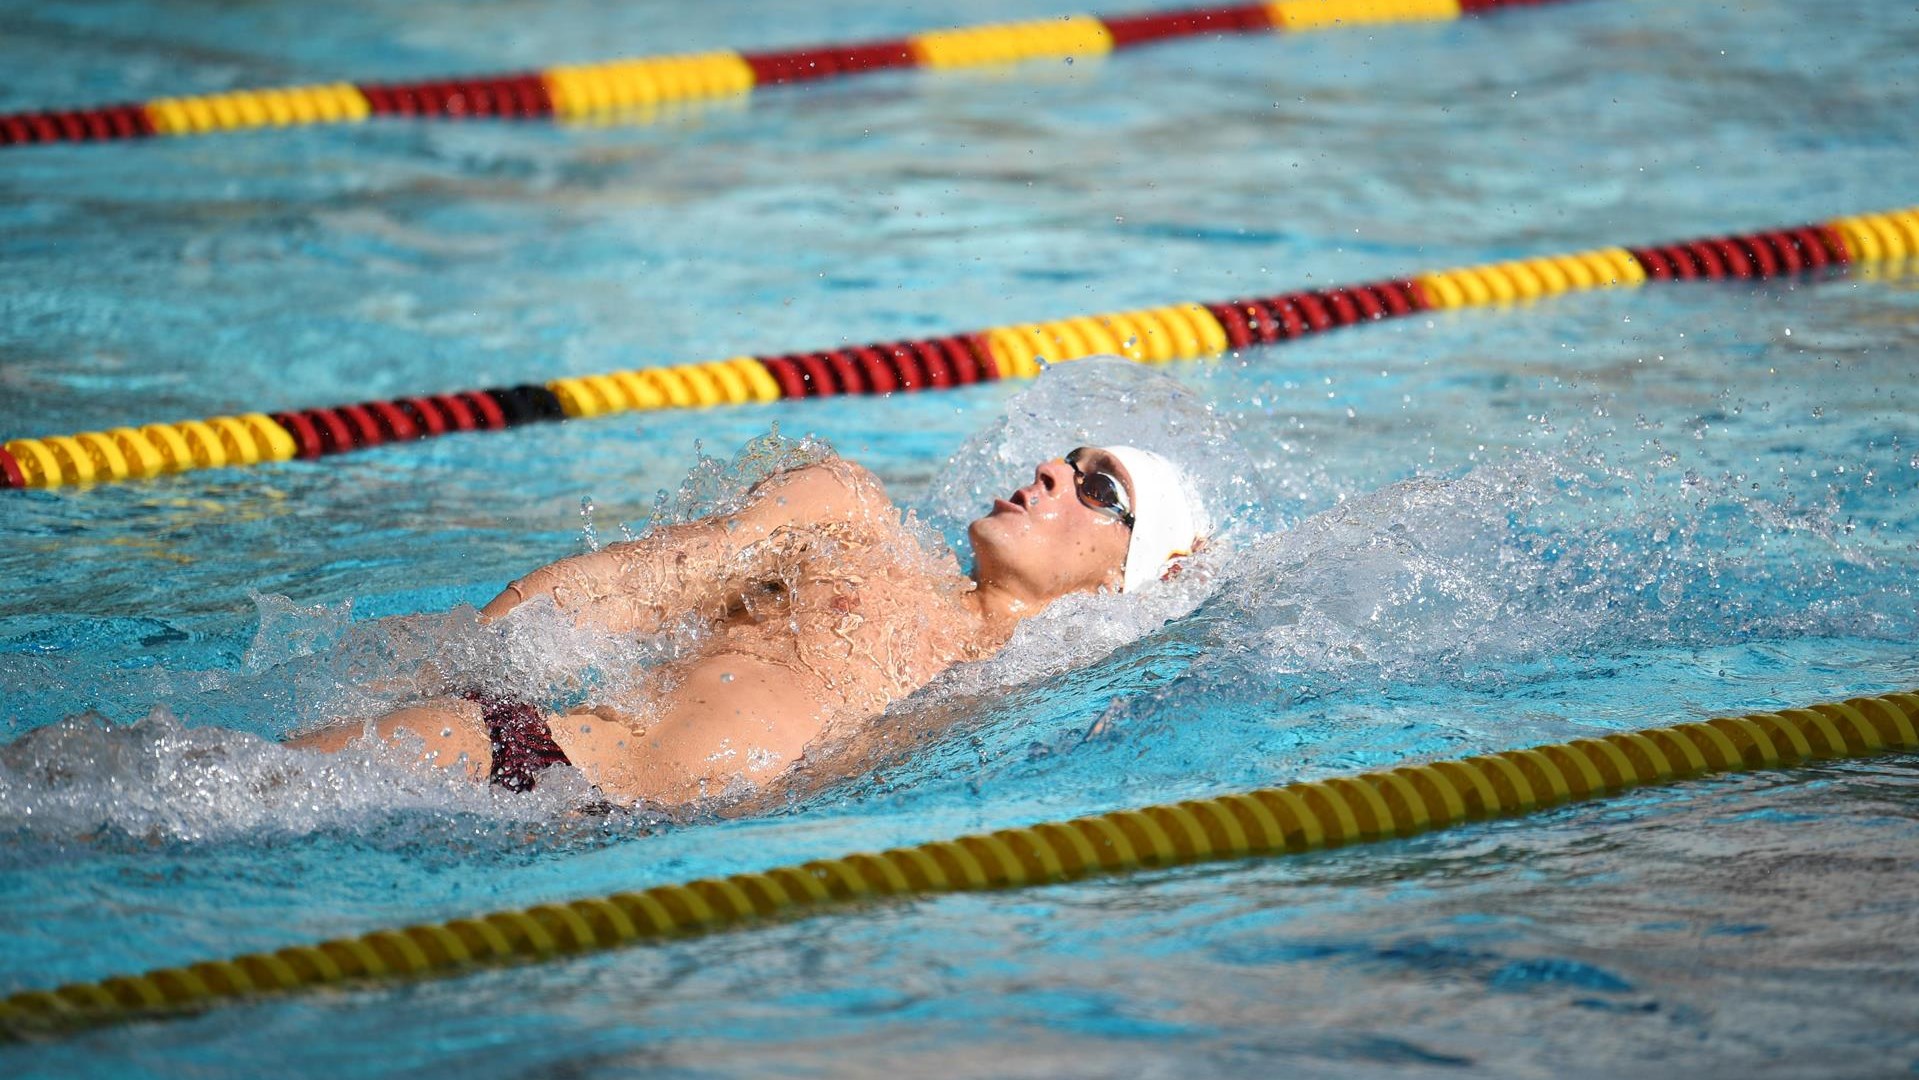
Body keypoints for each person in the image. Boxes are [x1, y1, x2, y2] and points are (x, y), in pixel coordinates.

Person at [289, 443, 1208, 808]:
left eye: (1097, 488)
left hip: (618, 867)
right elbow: (604, 594)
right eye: (1066, 460)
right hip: (534, 755)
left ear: (1132, 572)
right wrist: (456, 665)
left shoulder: (1044, 695)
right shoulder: (850, 523)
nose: (1049, 469)